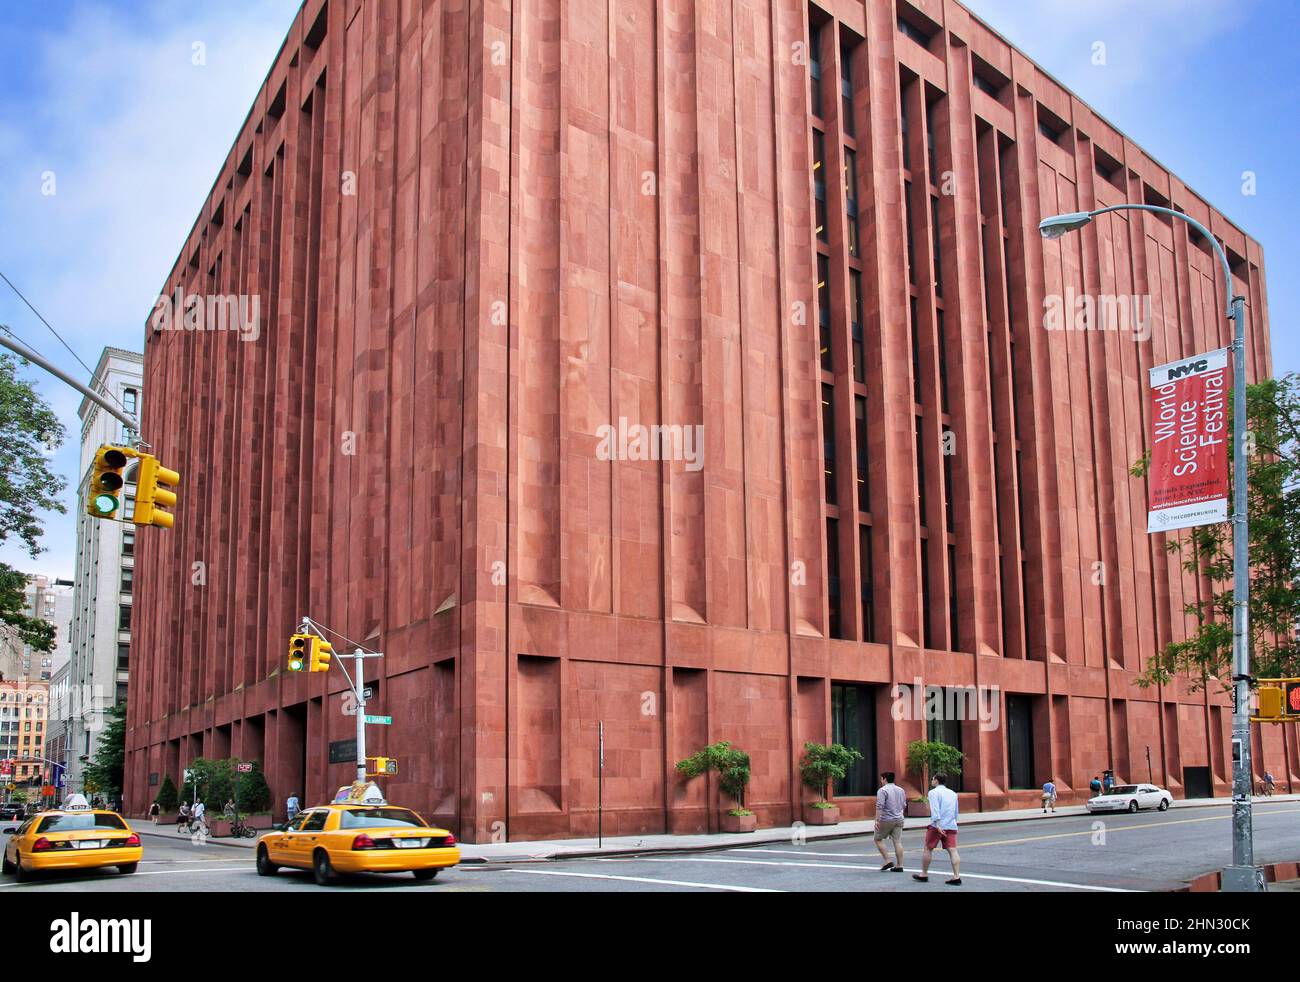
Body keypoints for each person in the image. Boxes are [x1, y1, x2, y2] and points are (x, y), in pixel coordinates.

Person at [913, 774, 961, 885]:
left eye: (932, 779)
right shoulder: (953, 793)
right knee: (953, 850)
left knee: (928, 848)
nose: (931, 781)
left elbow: (935, 809)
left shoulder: (933, 792)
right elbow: (955, 811)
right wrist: (954, 822)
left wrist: (938, 824)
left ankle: (924, 874)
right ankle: (956, 876)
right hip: (951, 825)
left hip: (937, 826)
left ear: (936, 780)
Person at [873, 771, 907, 872]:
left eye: (881, 779)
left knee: (878, 838)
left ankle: (887, 860)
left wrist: (877, 820)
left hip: (887, 819)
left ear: (884, 779)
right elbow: (904, 805)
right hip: (899, 818)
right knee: (897, 841)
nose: (881, 781)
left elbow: (880, 806)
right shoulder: (901, 790)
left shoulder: (882, 790)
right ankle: (900, 865)